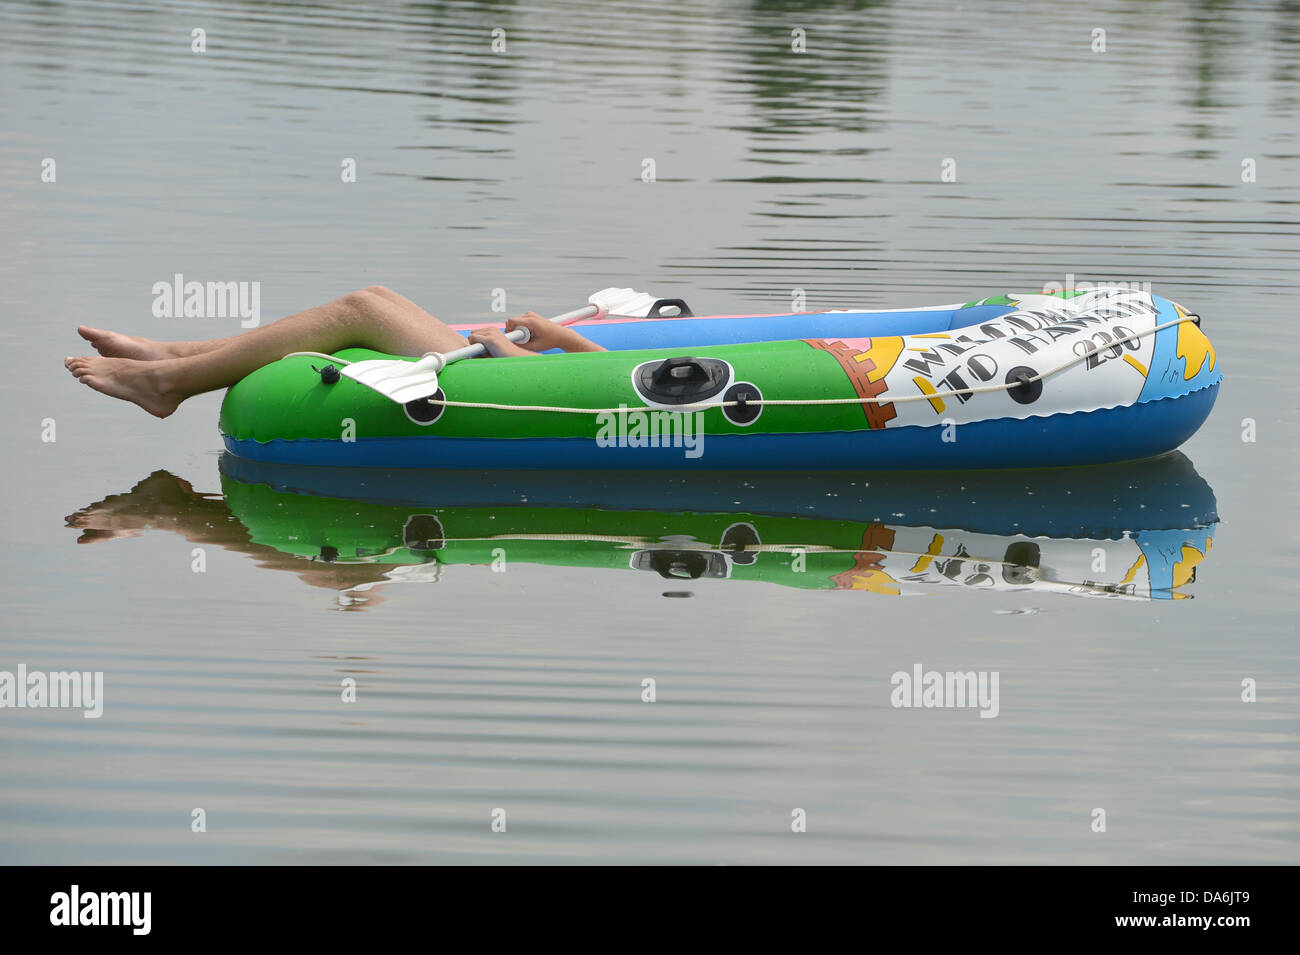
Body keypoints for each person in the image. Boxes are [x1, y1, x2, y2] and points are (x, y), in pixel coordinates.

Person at [64, 285, 605, 418]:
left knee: (363, 309)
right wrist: (567, 339)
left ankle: (167, 381)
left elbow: (606, 382)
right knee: (379, 299)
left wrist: (511, 356)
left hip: (525, 379)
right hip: (546, 367)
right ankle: (174, 354)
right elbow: (600, 365)